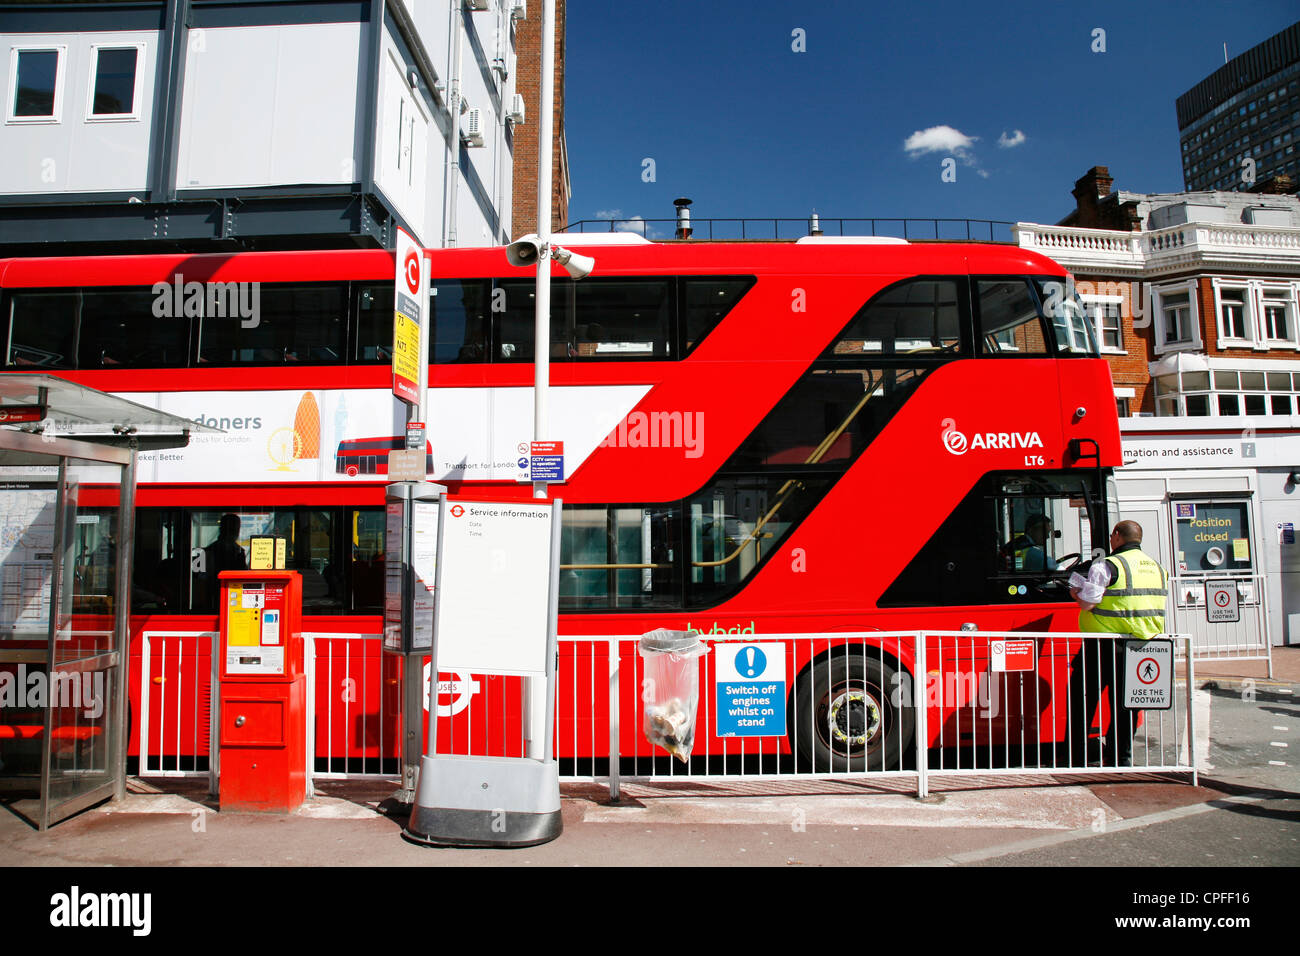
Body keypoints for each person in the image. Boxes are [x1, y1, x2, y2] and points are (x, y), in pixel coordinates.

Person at [1067, 520, 1169, 767]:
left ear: (1117, 536)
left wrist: (1074, 592)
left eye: (1112, 536)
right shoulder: (1157, 567)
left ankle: (1077, 757)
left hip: (1103, 646)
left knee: (1082, 699)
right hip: (1141, 646)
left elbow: (1088, 603)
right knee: (1126, 705)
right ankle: (1120, 758)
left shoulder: (1107, 566)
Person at [204, 513, 247, 607]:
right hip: (233, 597)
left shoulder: (210, 549)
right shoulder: (239, 552)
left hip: (210, 600)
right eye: (234, 529)